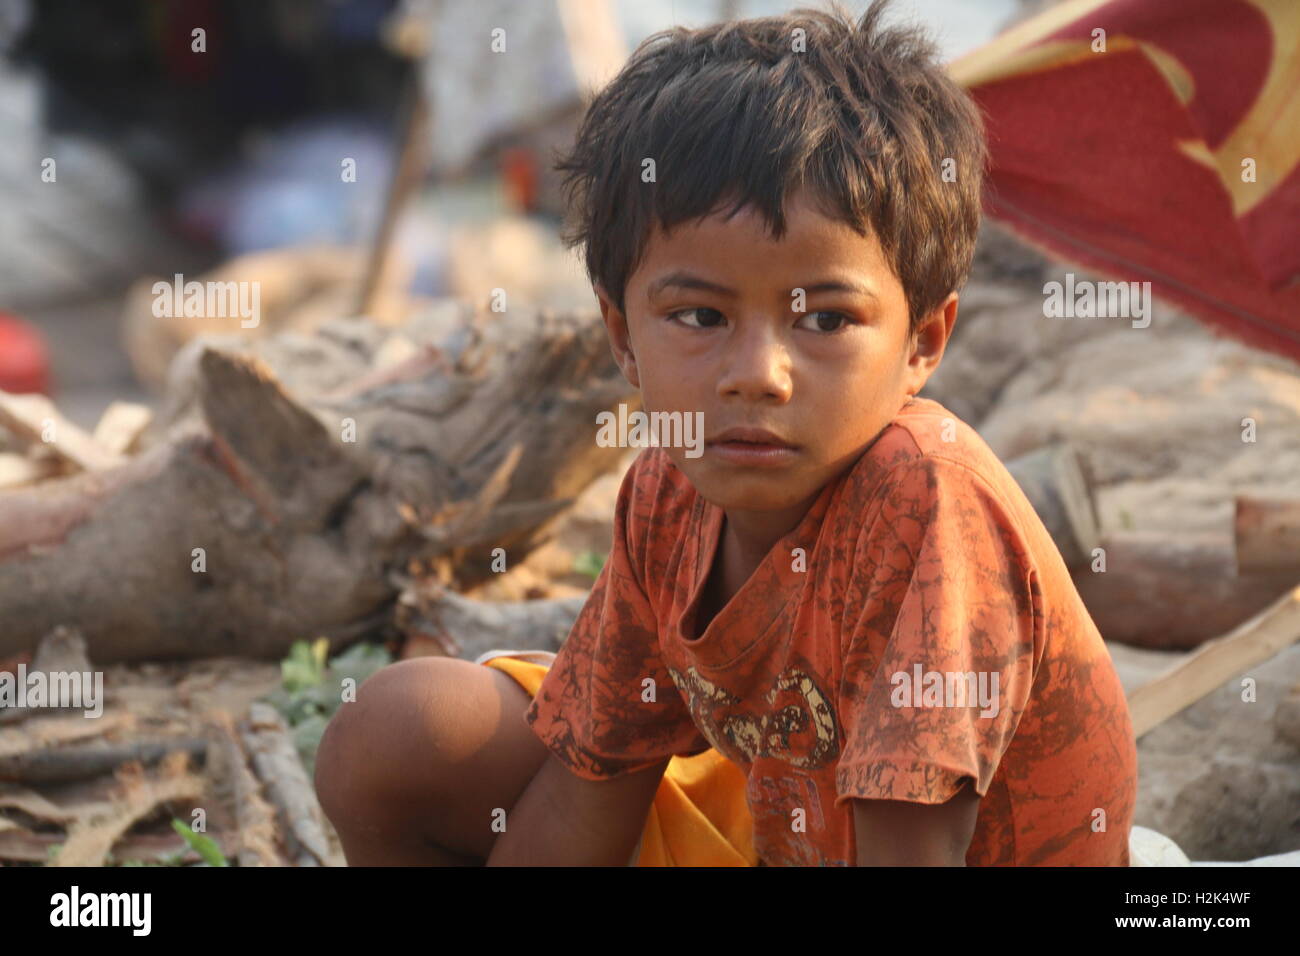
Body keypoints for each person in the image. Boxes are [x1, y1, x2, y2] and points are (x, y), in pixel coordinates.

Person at [314, 0, 1138, 866]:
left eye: (824, 320)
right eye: (700, 314)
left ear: (922, 341)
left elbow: (913, 853)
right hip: (787, 832)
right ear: (622, 335)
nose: (759, 373)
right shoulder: (668, 491)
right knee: (397, 732)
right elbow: (593, 787)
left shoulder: (924, 499)